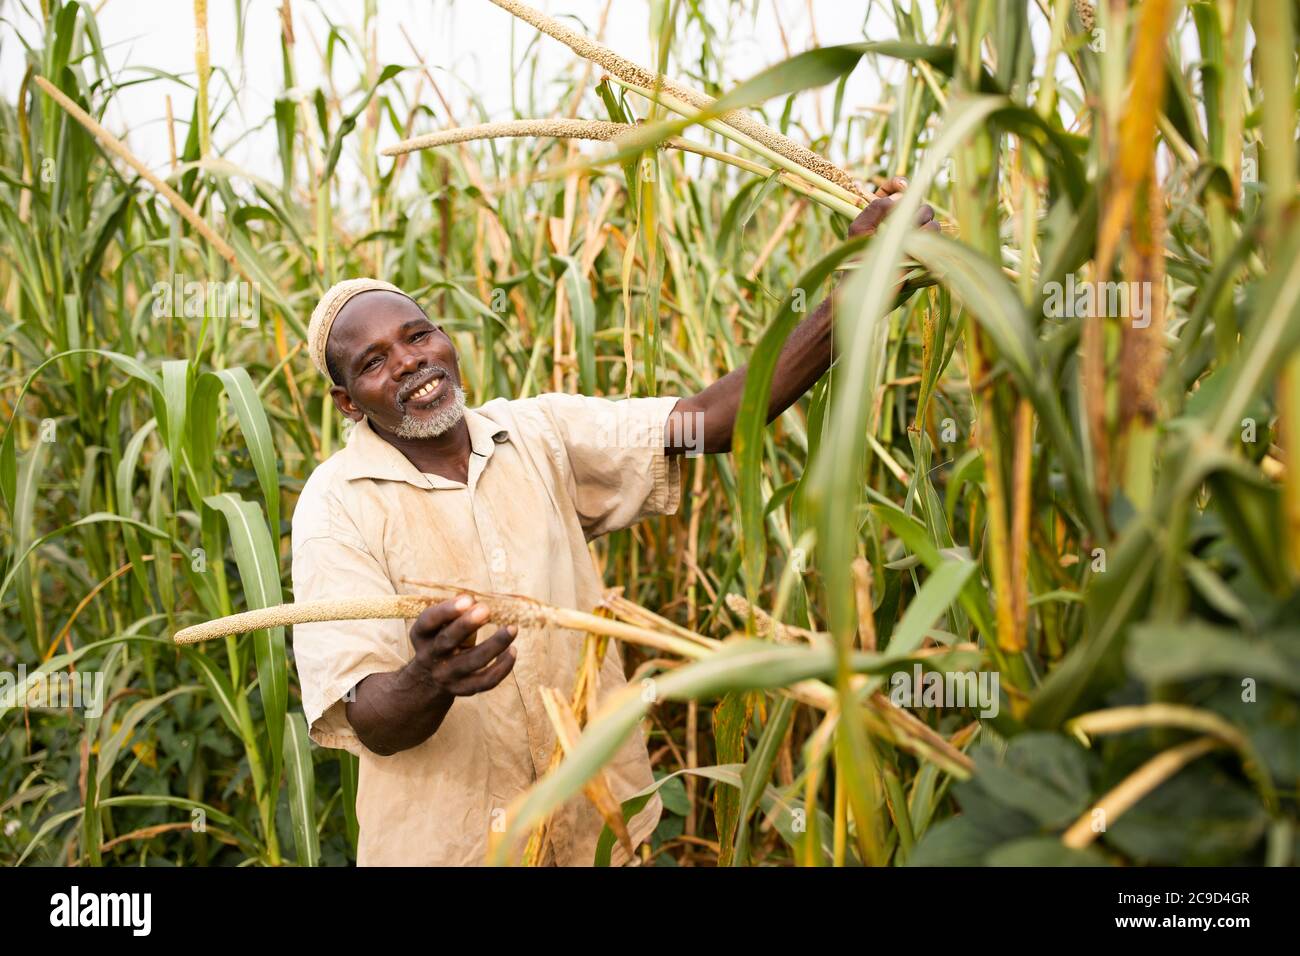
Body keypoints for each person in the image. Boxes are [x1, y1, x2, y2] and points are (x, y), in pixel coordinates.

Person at [290, 178, 935, 866]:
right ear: (349, 403)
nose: (411, 361)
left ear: (446, 339)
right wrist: (429, 676)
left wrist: (862, 285)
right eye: (375, 362)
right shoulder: (336, 503)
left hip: (602, 830)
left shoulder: (538, 433)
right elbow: (370, 721)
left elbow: (712, 422)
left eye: (418, 336)